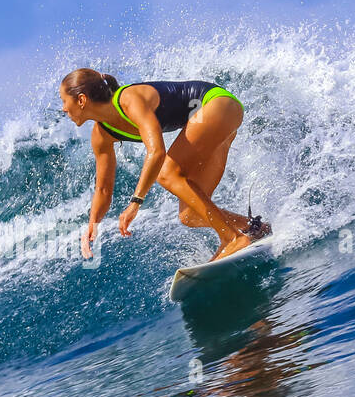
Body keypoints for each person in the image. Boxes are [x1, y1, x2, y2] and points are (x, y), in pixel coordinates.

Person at [58, 69, 270, 261]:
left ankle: (231, 239)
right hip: (214, 121)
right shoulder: (101, 135)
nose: (63, 109)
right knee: (190, 215)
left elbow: (157, 151)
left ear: (81, 100)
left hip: (217, 104)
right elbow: (103, 189)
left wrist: (135, 202)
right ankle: (254, 229)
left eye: (64, 101)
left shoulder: (129, 99)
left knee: (166, 172)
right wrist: (92, 225)